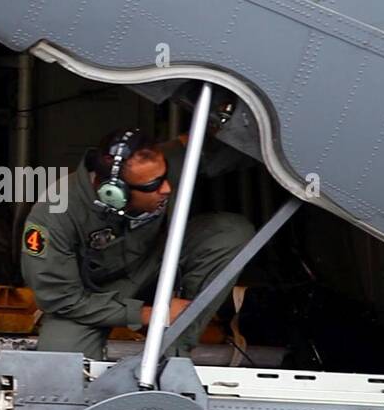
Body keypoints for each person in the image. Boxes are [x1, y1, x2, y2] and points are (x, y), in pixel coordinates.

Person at [20, 127, 255, 360]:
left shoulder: (158, 163)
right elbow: (62, 298)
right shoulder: (54, 213)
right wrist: (149, 314)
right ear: (114, 193)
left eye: (165, 176)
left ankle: (175, 348)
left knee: (231, 232)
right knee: (60, 362)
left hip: (156, 266)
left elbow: (223, 146)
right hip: (92, 297)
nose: (166, 188)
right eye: (153, 185)